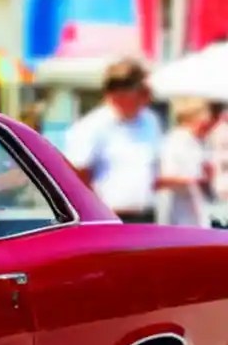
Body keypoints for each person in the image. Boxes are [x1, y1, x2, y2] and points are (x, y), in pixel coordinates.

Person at [63, 58, 163, 223]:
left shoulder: (150, 121)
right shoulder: (92, 126)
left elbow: (152, 169)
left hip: (145, 215)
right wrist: (97, 210)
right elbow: (77, 173)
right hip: (108, 217)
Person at [155, 98, 215, 228]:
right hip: (175, 209)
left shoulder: (200, 141)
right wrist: (192, 179)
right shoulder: (173, 141)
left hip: (196, 209)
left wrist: (207, 175)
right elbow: (163, 177)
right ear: (190, 118)